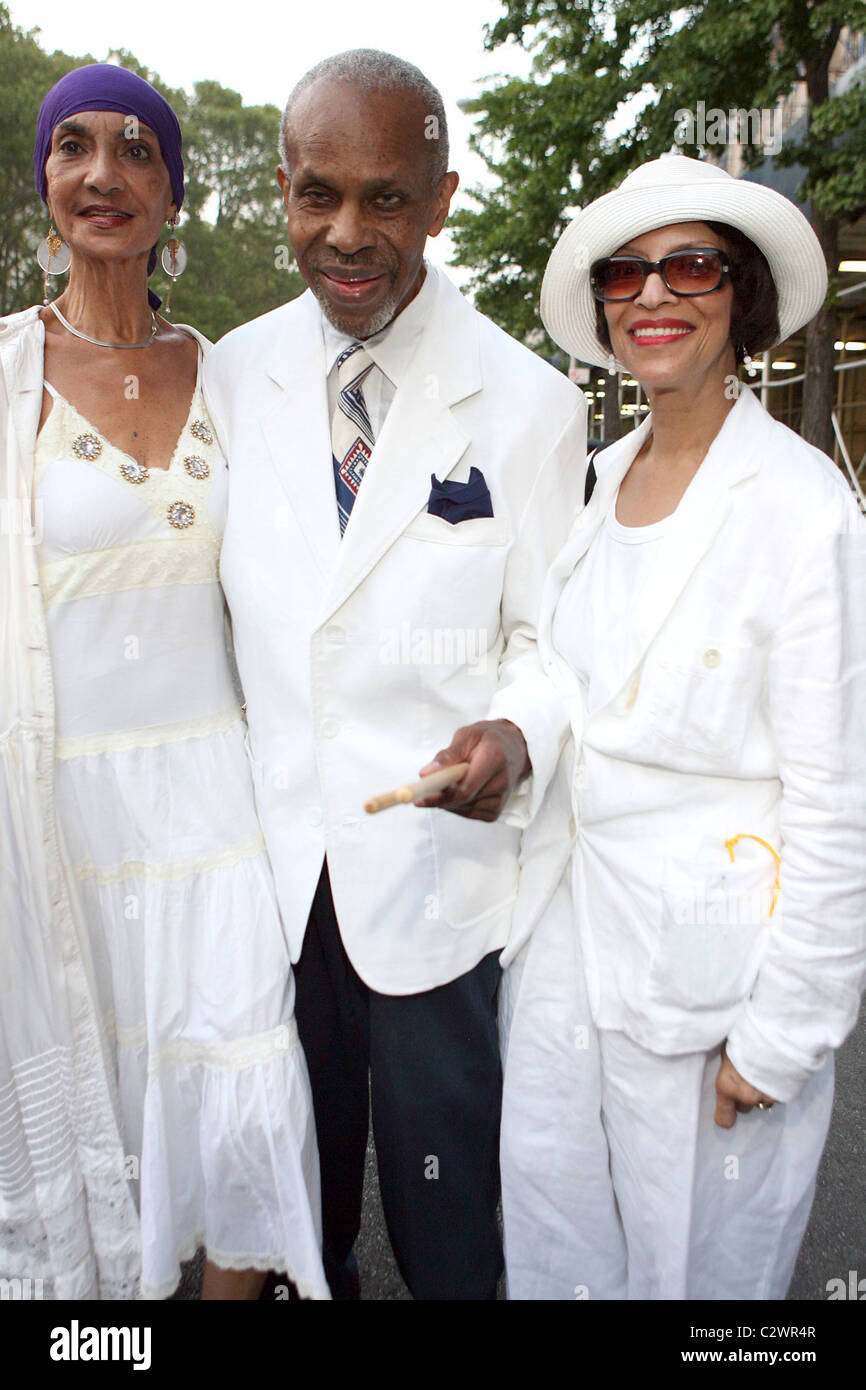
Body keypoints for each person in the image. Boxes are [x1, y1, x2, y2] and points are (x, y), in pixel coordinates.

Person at [436, 152, 866, 1299]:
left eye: (690, 266)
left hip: (715, 977)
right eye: (625, 273)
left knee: (701, 1282)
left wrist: (783, 1034)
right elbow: (564, 679)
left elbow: (838, 800)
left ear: (740, 297)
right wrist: (509, 733)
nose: (654, 295)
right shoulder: (594, 477)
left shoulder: (796, 504)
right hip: (570, 943)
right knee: (561, 1245)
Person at [202, 48, 588, 1300]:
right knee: (287, 1217)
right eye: (319, 195)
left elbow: (547, 635)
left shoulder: (527, 403)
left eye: (386, 198)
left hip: (433, 880)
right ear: (281, 191)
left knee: (450, 1226)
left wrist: (515, 732)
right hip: (271, 877)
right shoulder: (229, 375)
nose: (348, 234)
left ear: (443, 196)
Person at [0, 63, 329, 1301]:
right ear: (46, 181)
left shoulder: (235, 373)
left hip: (215, 804)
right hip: (54, 823)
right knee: (99, 1103)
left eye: (135, 150)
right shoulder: (4, 377)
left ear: (170, 193)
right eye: (73, 146)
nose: (102, 173)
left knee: (239, 1105)